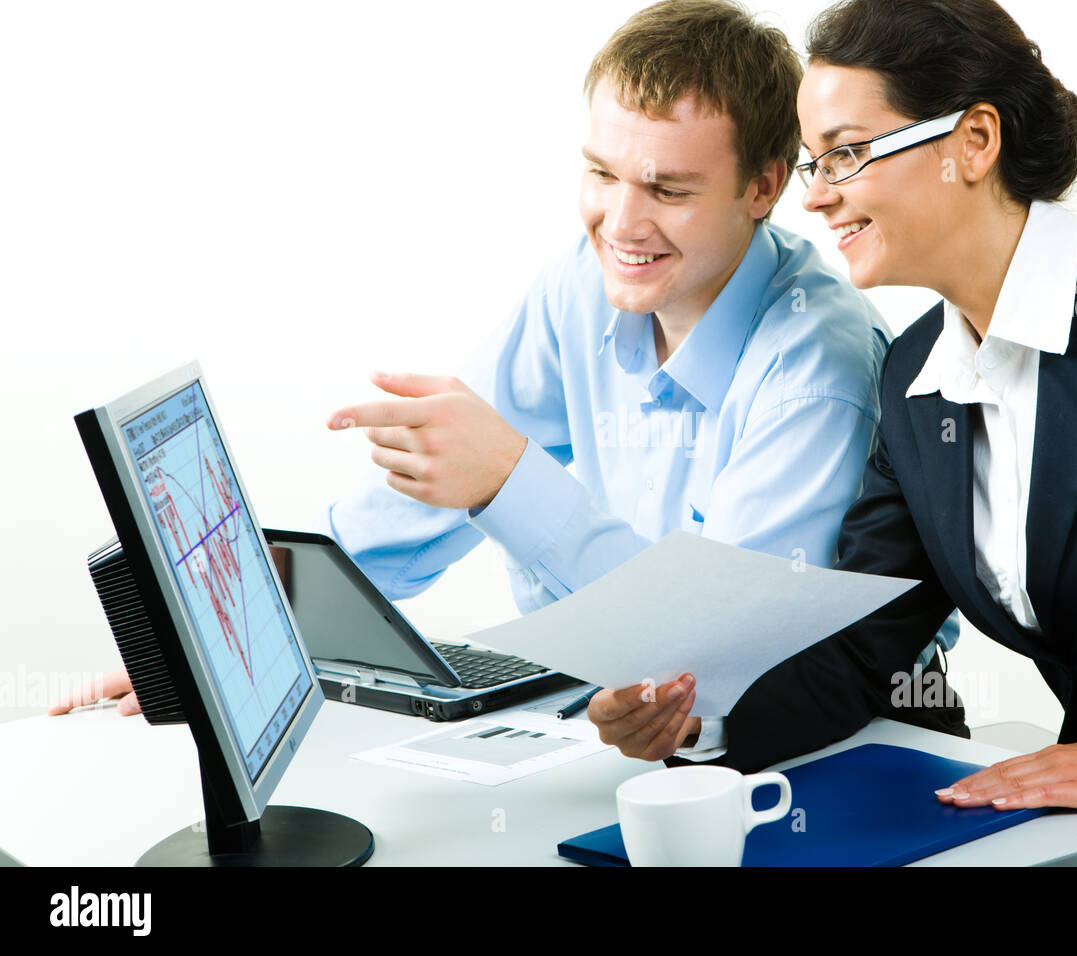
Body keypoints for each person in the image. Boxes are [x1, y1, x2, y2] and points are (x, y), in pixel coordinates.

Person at [51, 0, 961, 755]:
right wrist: (217, 635)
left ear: (765, 185)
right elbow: (417, 507)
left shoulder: (818, 366)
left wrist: (511, 483)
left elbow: (714, 663)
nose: (620, 221)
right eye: (601, 173)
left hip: (835, 751)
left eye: (668, 190)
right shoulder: (584, 284)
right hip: (633, 738)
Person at [638, 0, 1077, 865]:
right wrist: (691, 720)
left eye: (846, 151)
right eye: (811, 162)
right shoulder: (916, 379)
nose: (817, 194)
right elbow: (865, 647)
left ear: (974, 143)